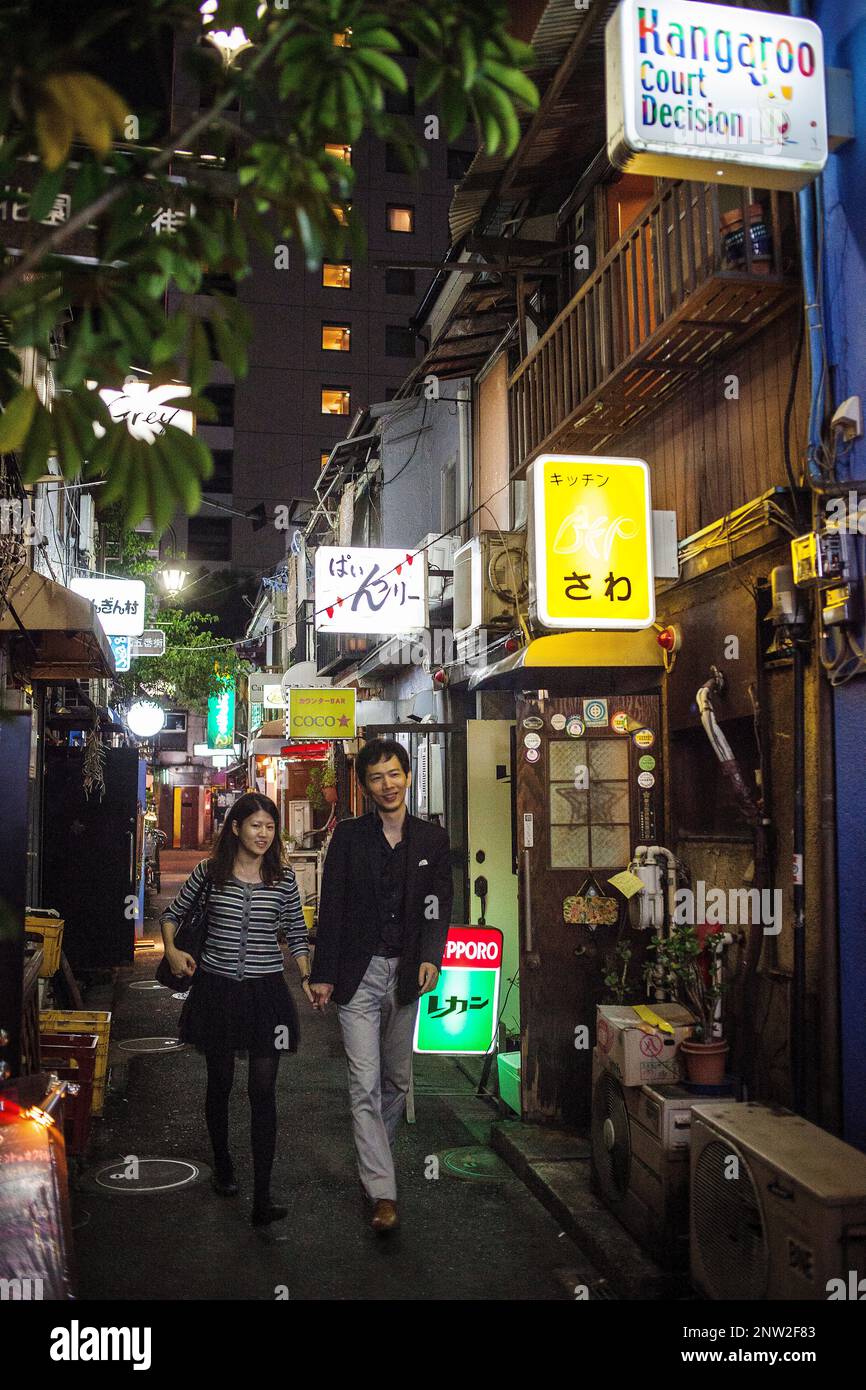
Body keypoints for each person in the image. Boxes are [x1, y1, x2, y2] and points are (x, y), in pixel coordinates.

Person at [308, 739, 453, 1233]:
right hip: (359, 974)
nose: (387, 784)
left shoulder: (432, 840)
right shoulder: (348, 838)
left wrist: (433, 956)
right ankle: (383, 1192)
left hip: (407, 974)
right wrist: (322, 973)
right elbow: (333, 910)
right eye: (376, 777)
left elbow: (439, 907)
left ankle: (375, 1166)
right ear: (365, 786)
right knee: (364, 1082)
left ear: (407, 776)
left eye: (394, 774)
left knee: (398, 1081)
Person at [160, 792, 311, 1226]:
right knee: (220, 1081)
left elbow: (297, 933)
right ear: (236, 828)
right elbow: (172, 914)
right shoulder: (210, 873)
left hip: (266, 995)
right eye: (255, 826)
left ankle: (262, 1196)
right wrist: (171, 950)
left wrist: (305, 975)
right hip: (217, 991)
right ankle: (223, 1163)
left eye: (270, 827)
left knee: (263, 1091)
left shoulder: (282, 880)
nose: (263, 834)